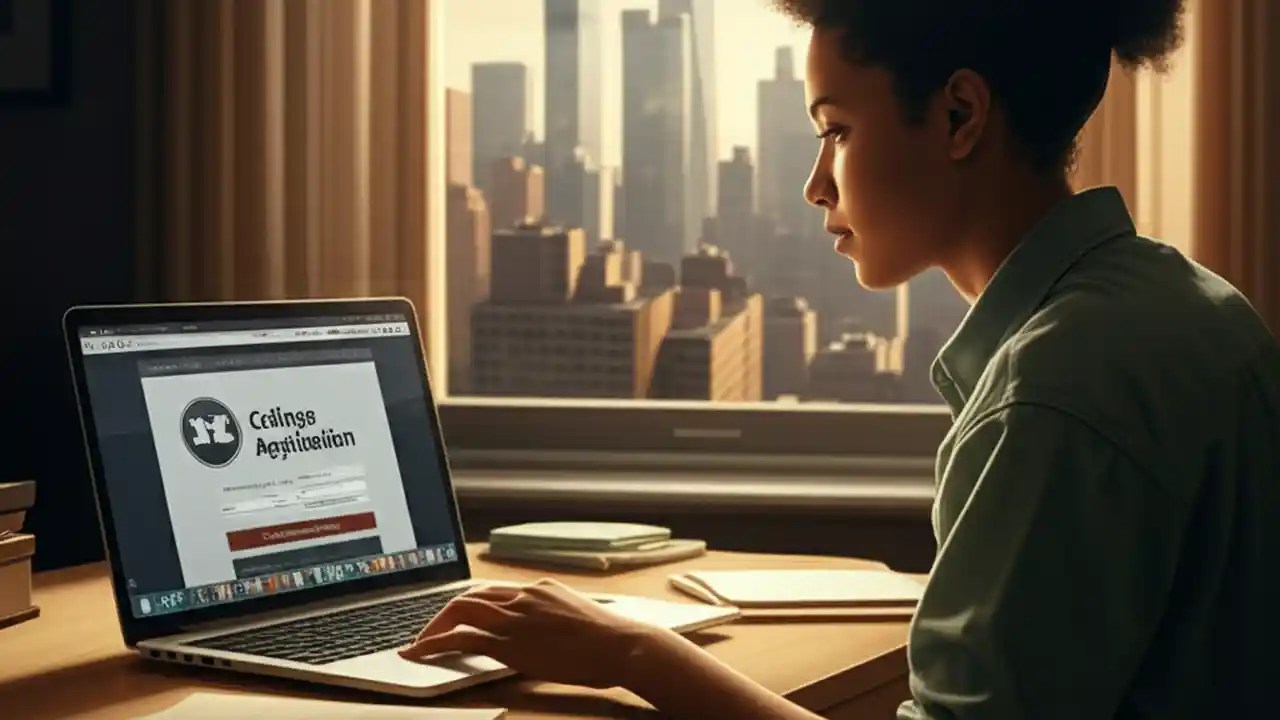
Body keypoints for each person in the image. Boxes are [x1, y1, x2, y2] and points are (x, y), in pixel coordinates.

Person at [401, 0, 1280, 717]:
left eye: (838, 131)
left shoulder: (1053, 393)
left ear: (959, 116)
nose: (817, 183)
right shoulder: (1190, 307)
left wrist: (632, 651)